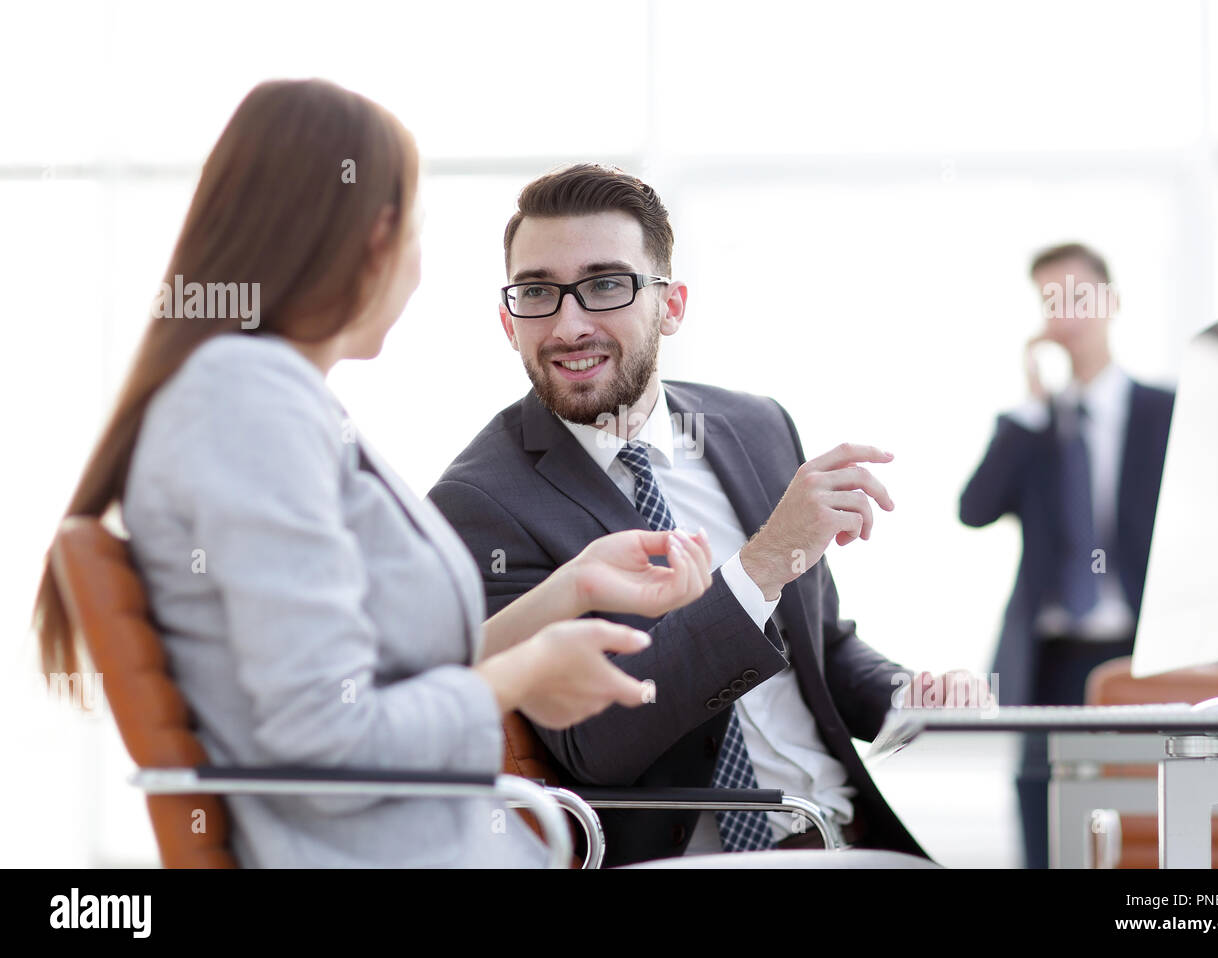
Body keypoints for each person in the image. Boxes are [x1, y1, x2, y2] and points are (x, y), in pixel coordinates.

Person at [30, 80, 716, 868]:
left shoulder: (270, 398)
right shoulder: (247, 405)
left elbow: (385, 683)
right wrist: (523, 675)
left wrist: (578, 585)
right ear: (377, 232)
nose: (418, 272)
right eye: (417, 233)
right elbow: (328, 739)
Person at [429, 163, 988, 867]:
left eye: (606, 285)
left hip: (851, 834)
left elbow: (823, 646)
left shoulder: (753, 426)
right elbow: (596, 745)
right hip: (694, 857)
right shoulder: (481, 503)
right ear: (508, 322)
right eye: (538, 292)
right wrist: (760, 564)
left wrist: (914, 699)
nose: (569, 325)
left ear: (672, 306)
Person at [959, 242, 1174, 868]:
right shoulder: (1033, 426)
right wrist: (1032, 408)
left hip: (1139, 650)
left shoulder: (1164, 413)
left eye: (1078, 295)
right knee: (1042, 807)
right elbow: (974, 510)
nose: (1066, 313)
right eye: (1051, 300)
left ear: (1112, 302)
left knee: (1145, 811)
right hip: (1049, 655)